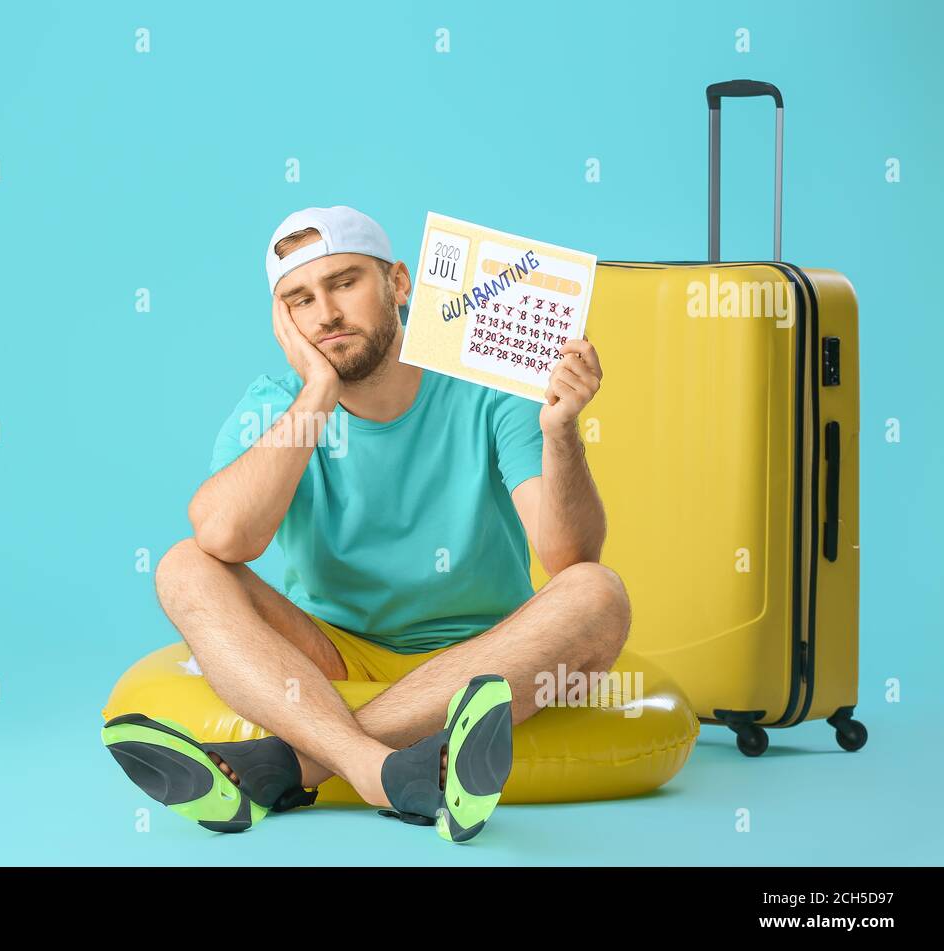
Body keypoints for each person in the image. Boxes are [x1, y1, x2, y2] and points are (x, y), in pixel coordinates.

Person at [102, 205, 631, 842]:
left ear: (400, 284)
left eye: (345, 283)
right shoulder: (278, 403)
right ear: (284, 321)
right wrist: (317, 393)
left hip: (487, 654)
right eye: (300, 299)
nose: (325, 314)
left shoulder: (492, 388)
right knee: (184, 564)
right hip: (332, 655)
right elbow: (224, 540)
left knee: (599, 592)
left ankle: (290, 767)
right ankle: (386, 771)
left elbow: (571, 555)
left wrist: (560, 431)